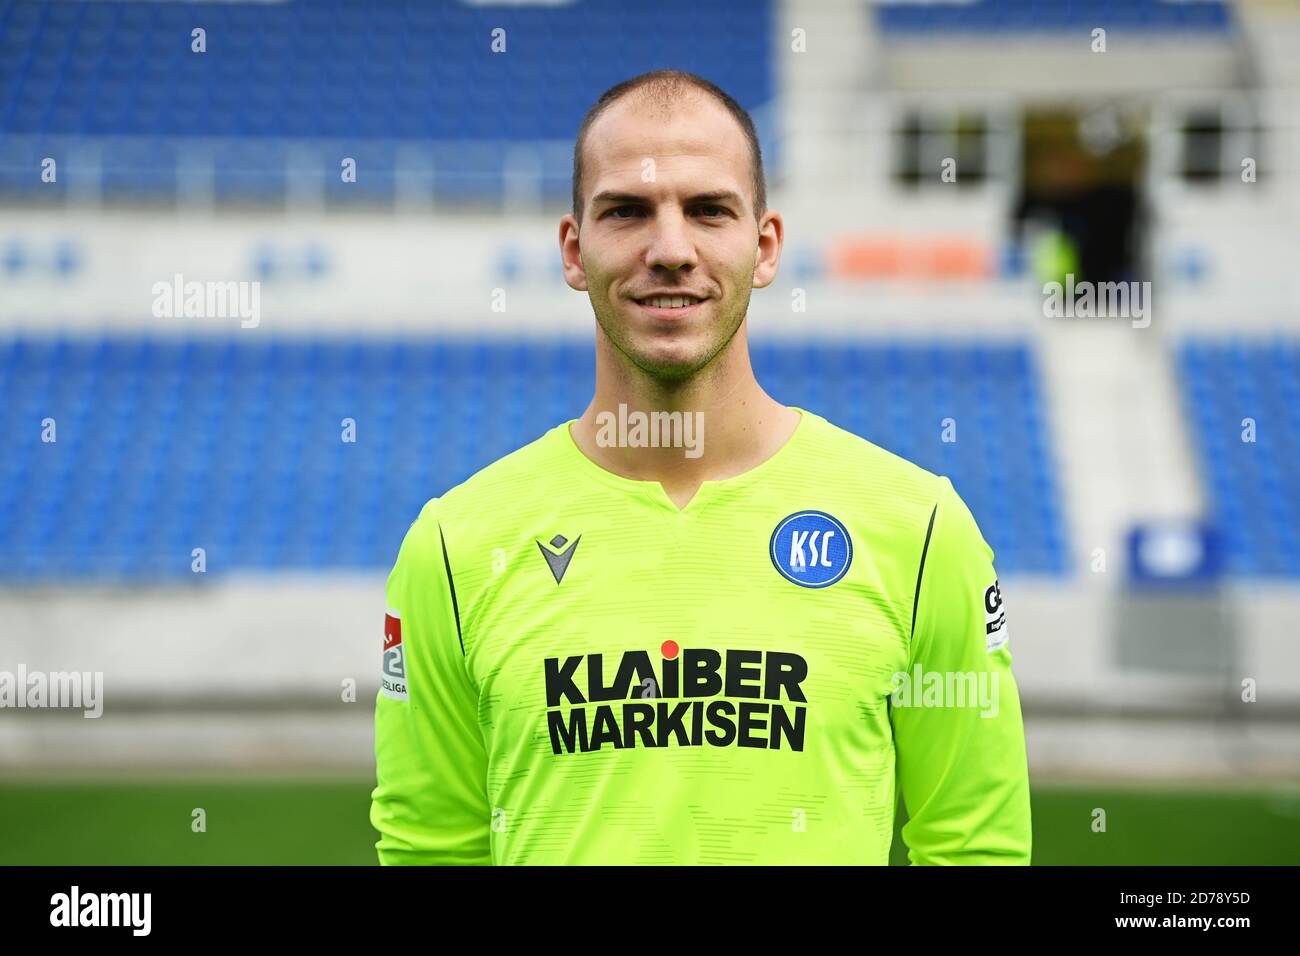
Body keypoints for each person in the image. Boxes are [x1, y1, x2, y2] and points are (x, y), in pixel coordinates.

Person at [371, 69, 1031, 865]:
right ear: (575, 251)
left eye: (709, 211)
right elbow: (431, 848)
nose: (671, 250)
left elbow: (975, 846)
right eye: (627, 211)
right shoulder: (454, 548)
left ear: (764, 247)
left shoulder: (921, 532)